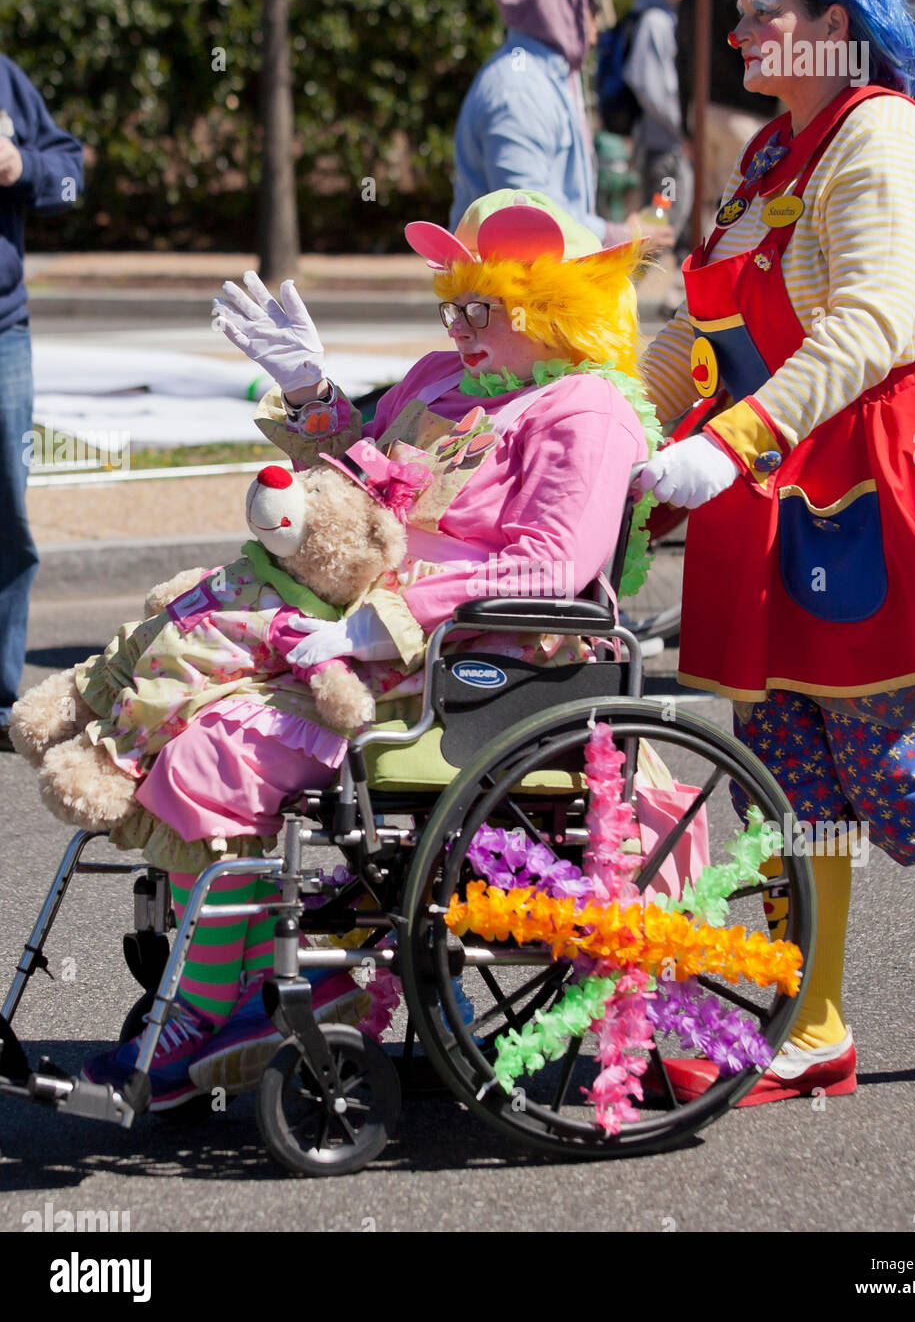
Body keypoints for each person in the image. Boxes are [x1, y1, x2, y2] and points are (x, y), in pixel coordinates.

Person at [84, 189, 657, 1108]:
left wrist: (376, 623)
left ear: (555, 310)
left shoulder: (585, 413)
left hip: (469, 668)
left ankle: (217, 1010)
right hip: (352, 632)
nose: (463, 326)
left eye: (488, 308)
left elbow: (553, 565)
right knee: (155, 688)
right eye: (454, 303)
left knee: (209, 752)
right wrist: (312, 392)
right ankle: (241, 982)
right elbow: (362, 481)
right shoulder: (439, 379)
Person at [637, 0, 915, 1106]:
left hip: (896, 475)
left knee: (913, 786)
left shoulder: (883, 137)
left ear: (835, 16)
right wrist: (617, 417)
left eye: (762, 5)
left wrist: (730, 440)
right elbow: (696, 329)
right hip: (787, 480)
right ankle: (809, 1026)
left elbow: (862, 329)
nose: (737, 28)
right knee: (786, 774)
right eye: (741, 4)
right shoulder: (766, 150)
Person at [451, 0, 670, 250]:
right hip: (507, 294)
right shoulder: (519, 88)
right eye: (591, 4)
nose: (599, 20)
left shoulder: (544, 75)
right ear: (560, 6)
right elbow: (524, 216)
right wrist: (617, 235)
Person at [0, 57, 83, 752]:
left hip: (2, 331)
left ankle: (0, 700)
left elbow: (66, 172)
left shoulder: (3, 76)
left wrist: (15, 165)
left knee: (7, 521)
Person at [676, 0, 775, 241]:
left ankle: (697, 279)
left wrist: (686, 122)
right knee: (748, 211)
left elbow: (682, 59)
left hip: (701, 112)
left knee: (709, 210)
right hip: (745, 116)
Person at [622, 0, 699, 251]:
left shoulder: (676, 20)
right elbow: (651, 88)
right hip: (662, 147)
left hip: (673, 144)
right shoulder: (655, 21)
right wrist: (686, 129)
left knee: (670, 218)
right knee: (659, 221)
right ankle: (631, 288)